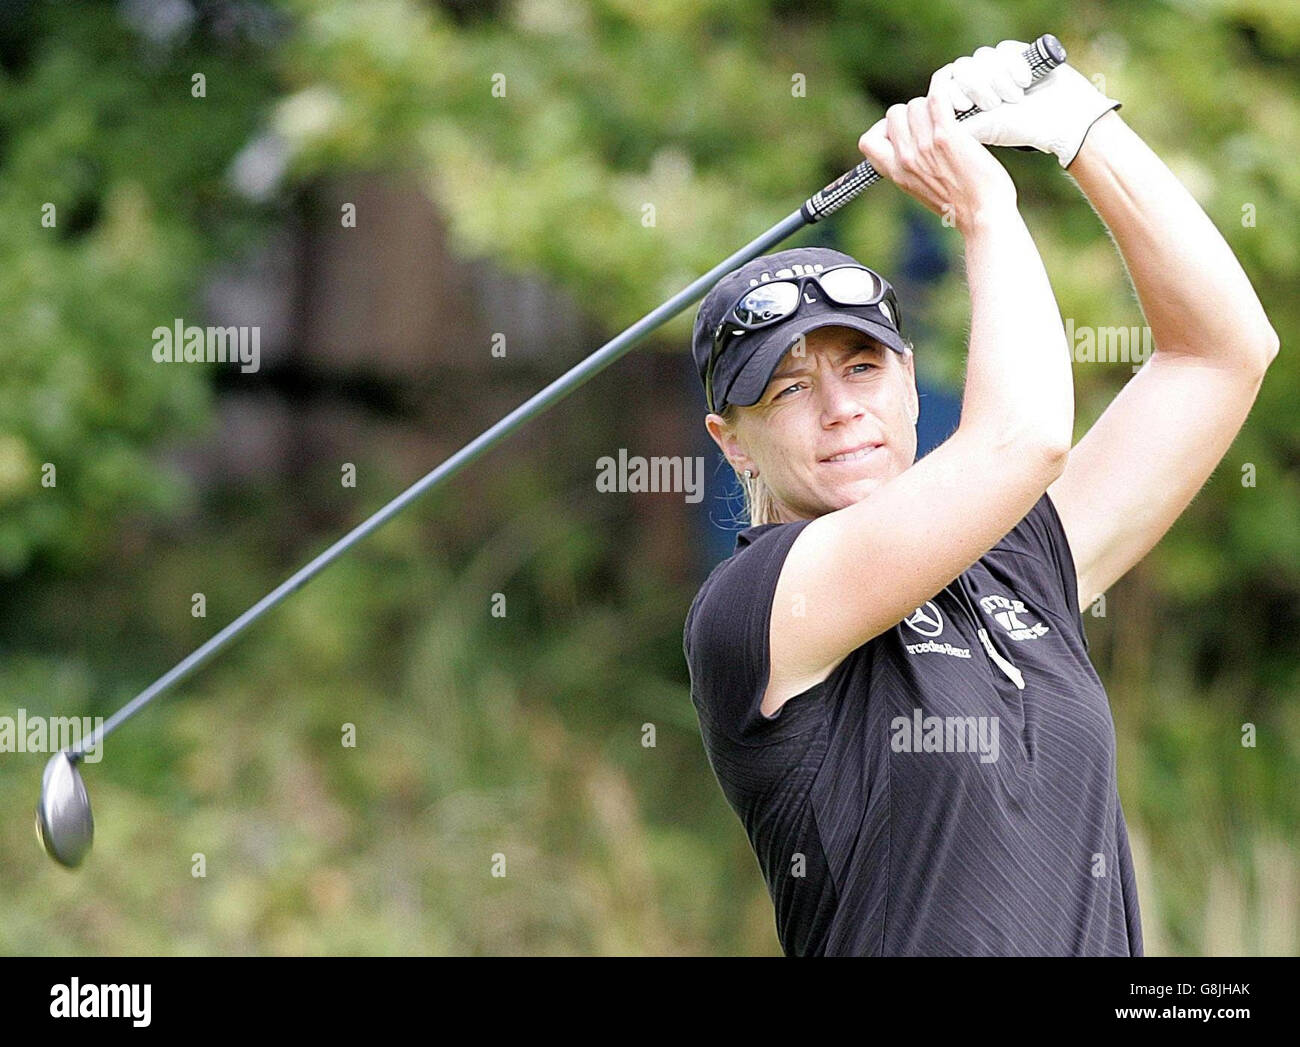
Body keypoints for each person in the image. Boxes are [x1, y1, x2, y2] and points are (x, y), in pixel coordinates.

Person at [682, 41, 1279, 956]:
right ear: (732, 443)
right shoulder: (758, 606)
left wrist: (1083, 127)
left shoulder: (1016, 559)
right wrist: (984, 206)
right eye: (789, 388)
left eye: (861, 365)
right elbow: (1026, 437)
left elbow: (1224, 353)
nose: (842, 408)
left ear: (909, 379)